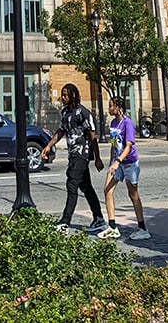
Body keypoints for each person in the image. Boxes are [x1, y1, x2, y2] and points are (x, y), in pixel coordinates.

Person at [41, 83, 106, 234]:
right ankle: (99, 219)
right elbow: (60, 132)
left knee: (72, 185)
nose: (62, 97)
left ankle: (65, 222)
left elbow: (92, 136)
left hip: (82, 154)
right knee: (86, 187)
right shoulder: (65, 113)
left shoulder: (83, 112)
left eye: (65, 95)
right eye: (62, 95)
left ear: (73, 96)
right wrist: (48, 146)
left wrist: (97, 158)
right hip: (73, 154)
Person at [97, 95, 150, 240]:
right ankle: (112, 227)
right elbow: (114, 144)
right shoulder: (114, 123)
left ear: (118, 108)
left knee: (133, 194)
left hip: (129, 162)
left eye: (111, 106)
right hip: (117, 162)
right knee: (107, 189)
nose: (109, 109)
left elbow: (128, 146)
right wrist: (111, 162)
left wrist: (118, 161)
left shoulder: (128, 123)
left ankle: (142, 227)